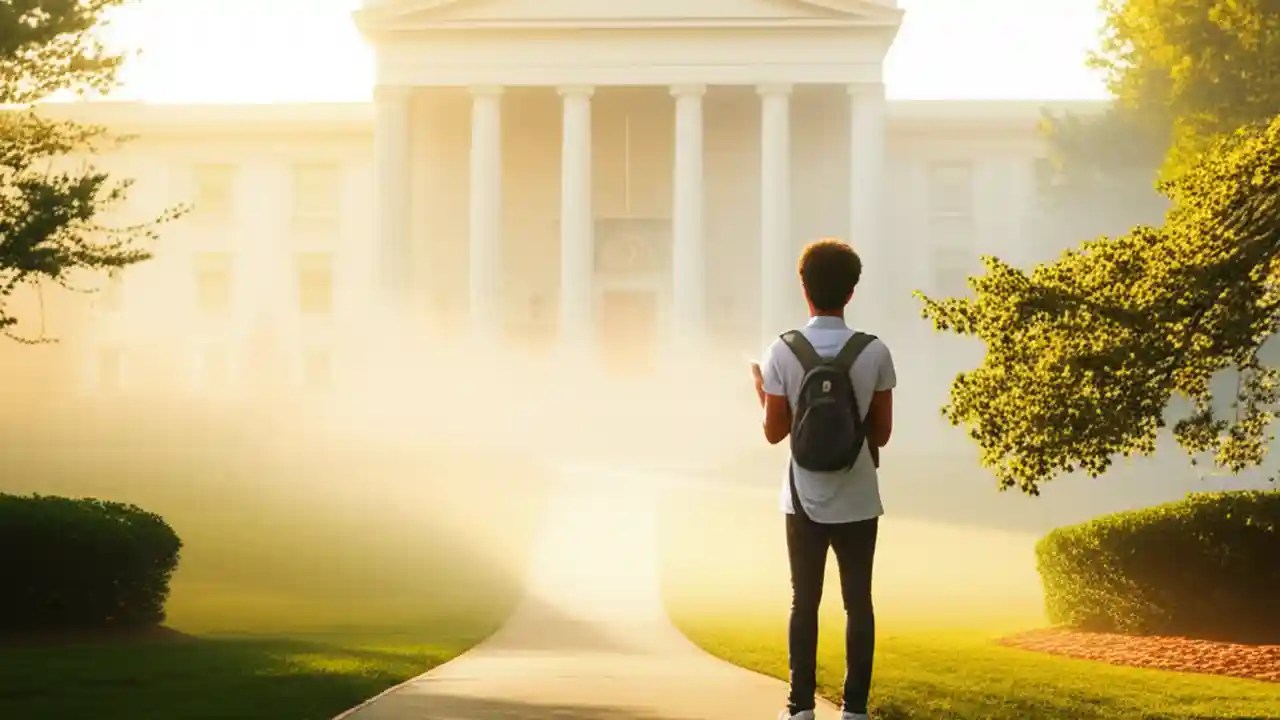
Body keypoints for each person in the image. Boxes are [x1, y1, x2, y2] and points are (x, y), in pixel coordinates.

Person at [750, 239, 896, 720]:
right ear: (851, 292)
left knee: (804, 601)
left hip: (802, 499)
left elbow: (774, 433)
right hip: (857, 496)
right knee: (859, 603)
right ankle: (854, 710)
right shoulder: (874, 352)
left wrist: (762, 392)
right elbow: (882, 433)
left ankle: (800, 709)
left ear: (804, 287)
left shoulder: (783, 350)